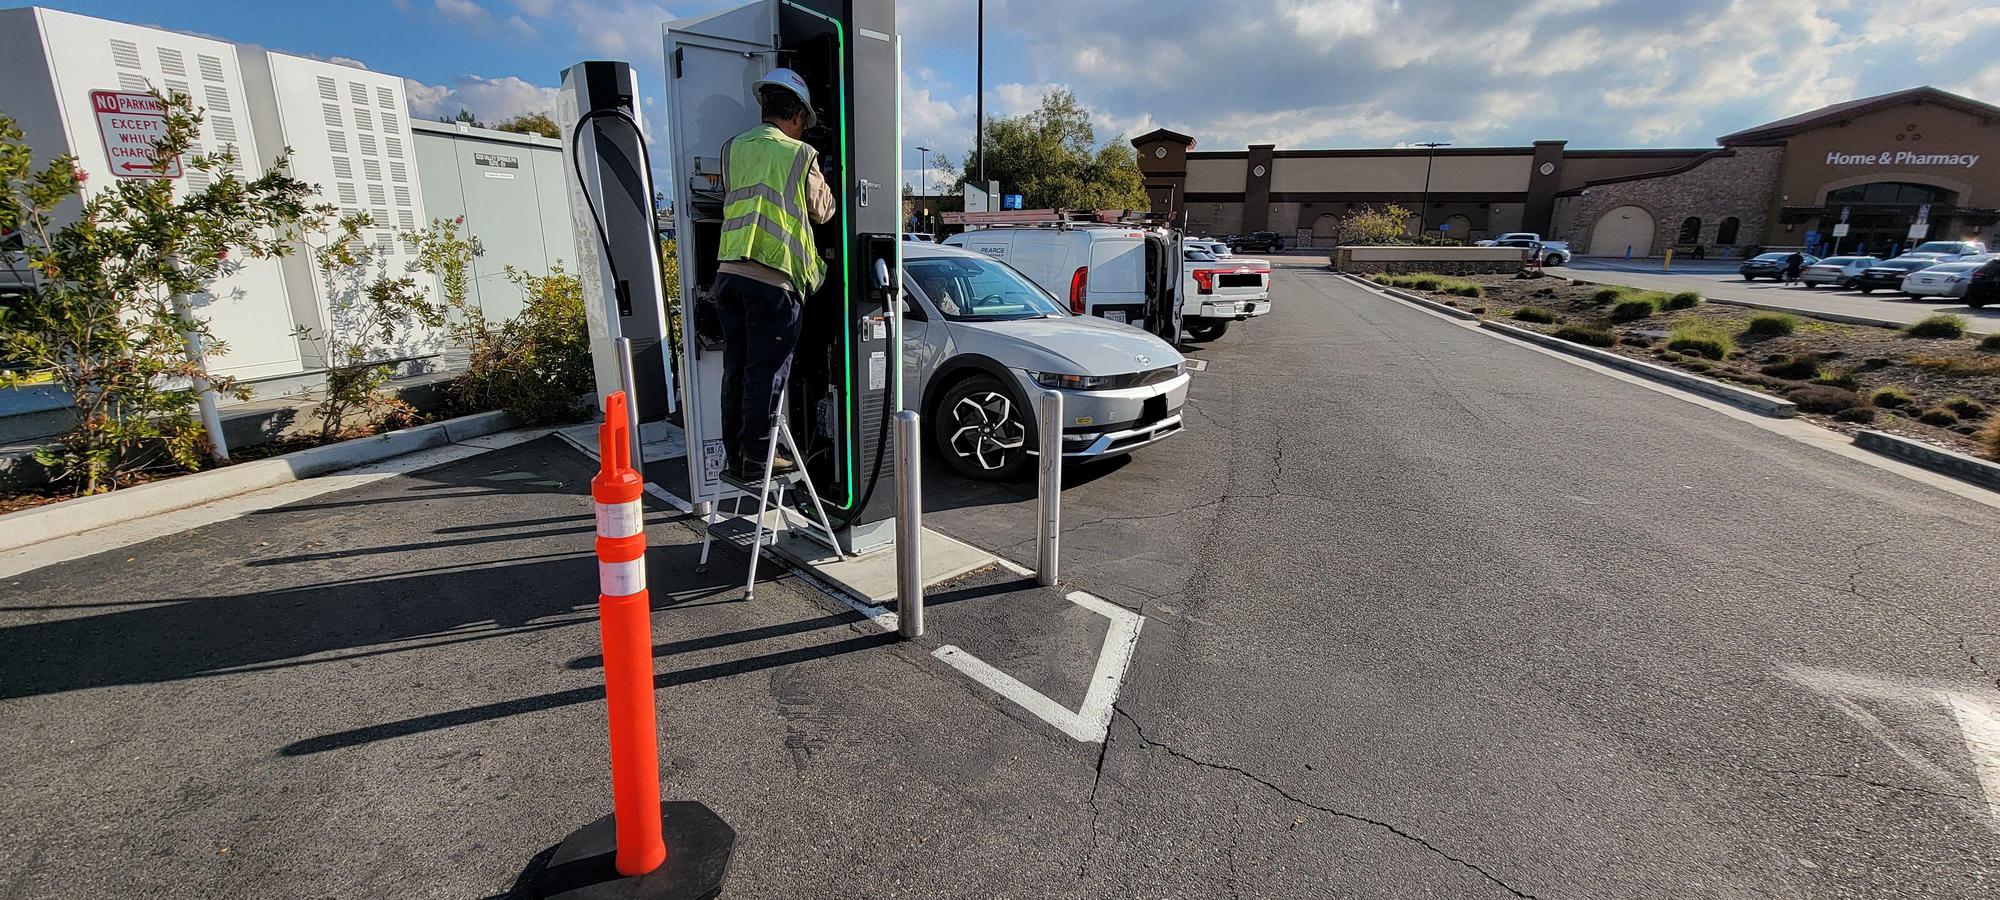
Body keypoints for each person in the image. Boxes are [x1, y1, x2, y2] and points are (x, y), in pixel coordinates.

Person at [712, 68, 835, 480]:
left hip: (729, 274)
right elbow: (823, 211)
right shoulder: (800, 155)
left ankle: (736, 455)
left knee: (738, 368)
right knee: (767, 370)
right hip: (773, 277)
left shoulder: (732, 149)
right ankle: (760, 456)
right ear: (798, 116)